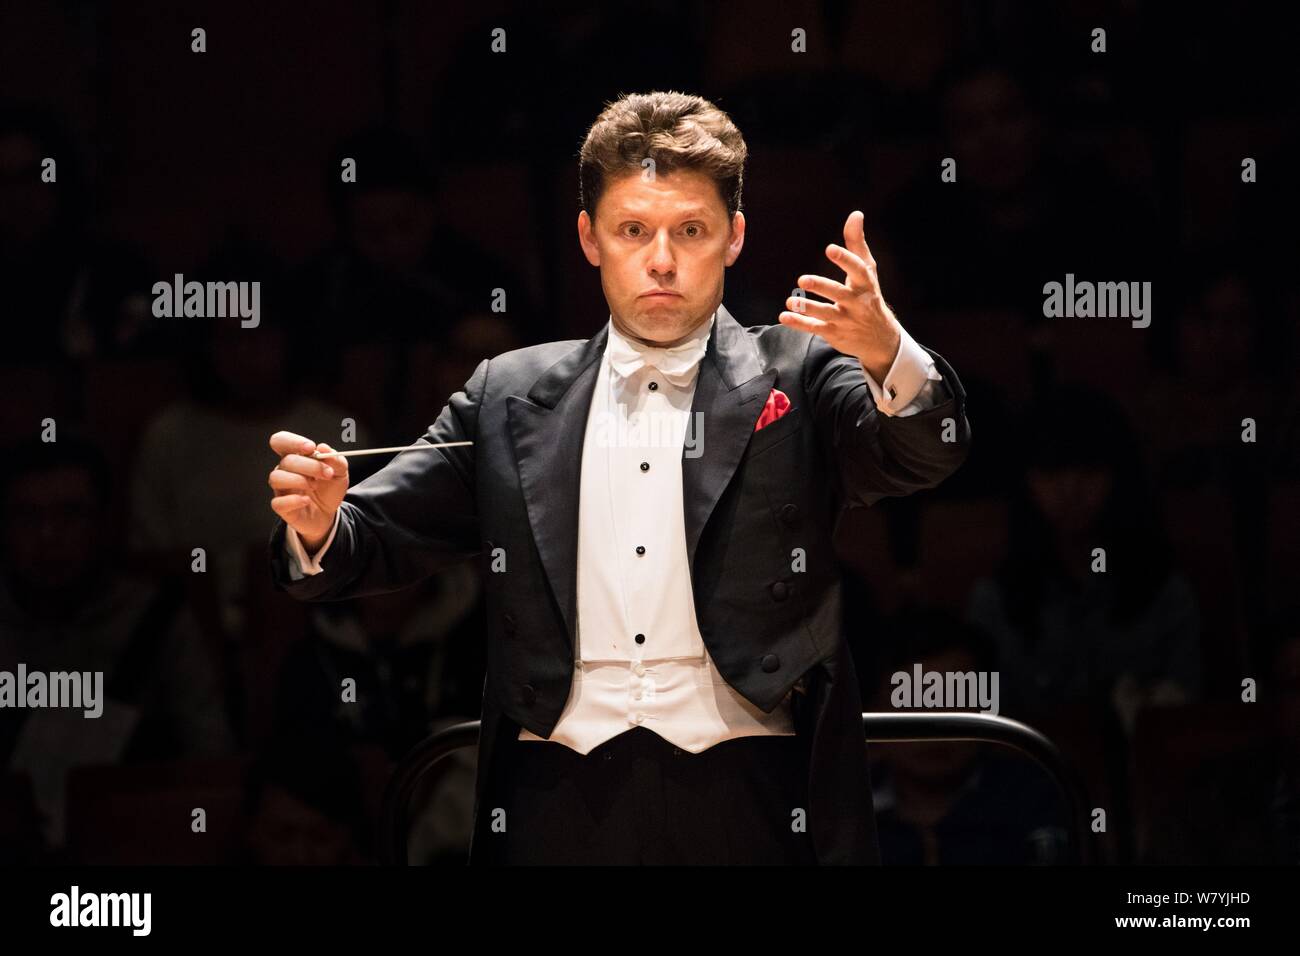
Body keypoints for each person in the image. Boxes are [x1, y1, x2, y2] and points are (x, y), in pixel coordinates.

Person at [265, 91, 972, 864]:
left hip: (753, 790)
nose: (662, 259)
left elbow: (924, 451)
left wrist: (886, 351)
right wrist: (319, 522)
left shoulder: (797, 372)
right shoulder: (507, 393)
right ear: (589, 237)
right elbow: (368, 544)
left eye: (691, 231)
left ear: (734, 238)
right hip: (553, 798)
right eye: (634, 230)